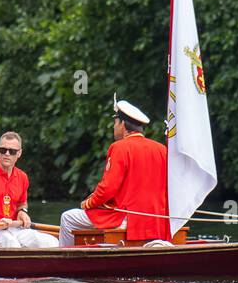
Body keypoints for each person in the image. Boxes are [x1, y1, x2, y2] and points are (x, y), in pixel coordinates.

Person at [59, 100, 170, 247]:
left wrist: (87, 203)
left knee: (67, 218)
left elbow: (108, 188)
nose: (113, 127)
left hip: (126, 218)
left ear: (122, 125)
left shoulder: (119, 147)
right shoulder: (162, 149)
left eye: (115, 123)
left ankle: (64, 263)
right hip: (156, 220)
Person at [0, 132, 59, 248]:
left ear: (19, 153)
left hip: (11, 227)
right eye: (3, 150)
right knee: (10, 243)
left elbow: (22, 204)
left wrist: (23, 212)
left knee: (50, 241)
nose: (7, 154)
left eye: (12, 151)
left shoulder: (22, 177)